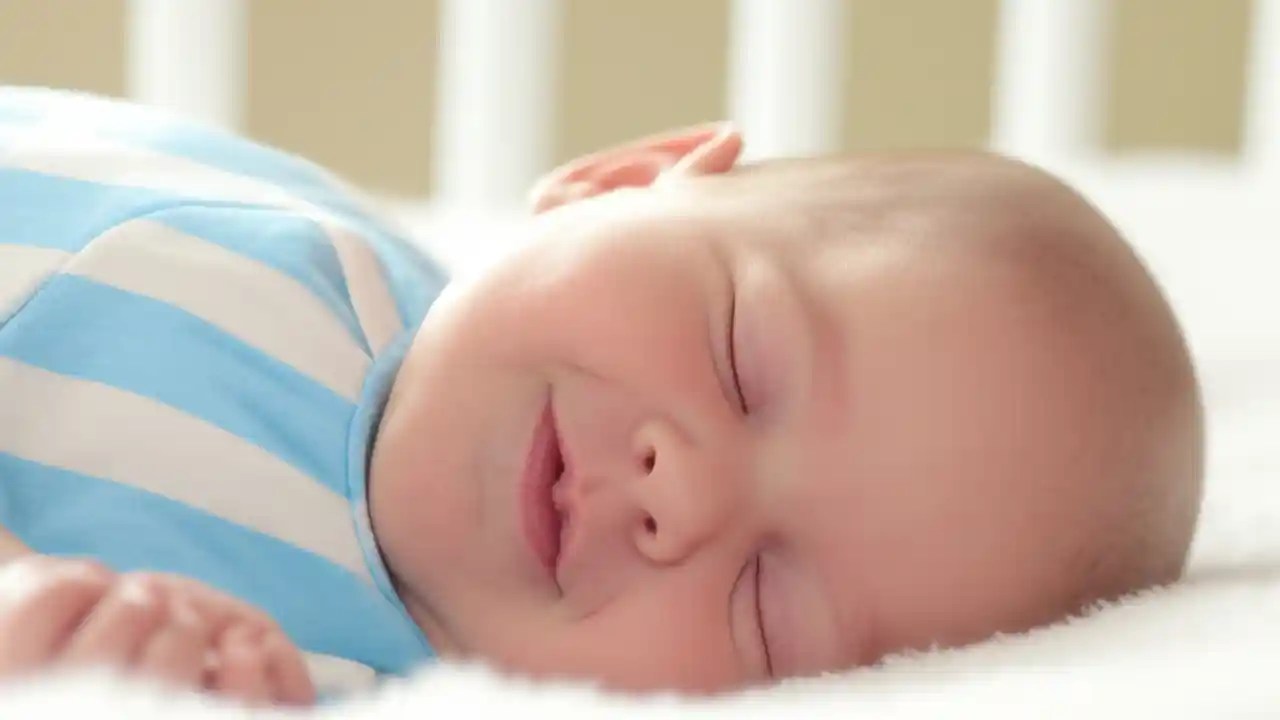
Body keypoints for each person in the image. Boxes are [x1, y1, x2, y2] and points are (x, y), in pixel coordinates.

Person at [0, 88, 1204, 703]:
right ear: (618, 180)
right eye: (740, 357)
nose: (676, 495)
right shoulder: (209, 254)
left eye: (768, 612)